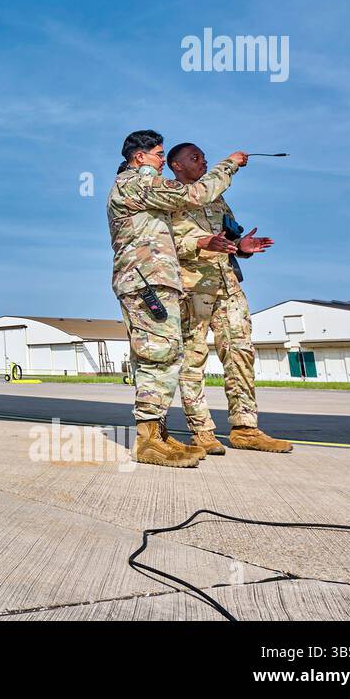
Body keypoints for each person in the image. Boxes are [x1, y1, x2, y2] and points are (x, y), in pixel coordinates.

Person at [107, 129, 248, 468]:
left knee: (161, 355)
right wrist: (229, 165)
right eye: (158, 155)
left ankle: (156, 433)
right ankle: (148, 440)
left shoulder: (141, 187)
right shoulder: (137, 183)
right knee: (159, 354)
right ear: (140, 158)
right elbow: (197, 194)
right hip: (146, 282)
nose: (161, 162)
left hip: (154, 281)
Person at [167, 143, 292, 454]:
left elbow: (229, 233)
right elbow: (168, 243)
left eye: (204, 158)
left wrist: (242, 245)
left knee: (240, 351)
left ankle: (245, 428)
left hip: (227, 285)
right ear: (175, 165)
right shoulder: (168, 196)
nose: (202, 162)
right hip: (193, 288)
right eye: (194, 158)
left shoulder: (216, 198)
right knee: (192, 359)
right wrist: (203, 242)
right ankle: (202, 431)